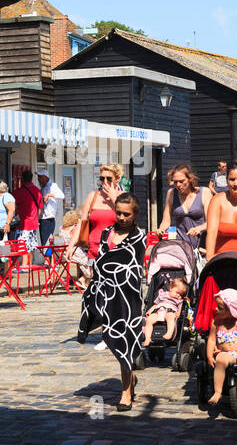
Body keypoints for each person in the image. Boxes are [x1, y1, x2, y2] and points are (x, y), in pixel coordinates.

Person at [81, 192, 147, 411]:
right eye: (118, 213)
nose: (122, 217)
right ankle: (130, 378)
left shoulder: (140, 237)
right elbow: (101, 261)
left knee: (125, 341)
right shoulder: (106, 233)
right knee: (111, 338)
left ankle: (126, 392)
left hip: (128, 297)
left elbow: (133, 265)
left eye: (126, 214)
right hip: (108, 293)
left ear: (135, 214)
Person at [69, 165, 123, 349]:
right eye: (102, 179)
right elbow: (82, 223)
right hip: (94, 252)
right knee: (100, 295)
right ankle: (105, 333)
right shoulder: (93, 196)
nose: (105, 182)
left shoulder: (123, 198)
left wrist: (116, 200)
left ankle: (107, 336)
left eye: (109, 179)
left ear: (117, 179)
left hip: (116, 252)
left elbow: (129, 222)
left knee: (112, 295)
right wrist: (71, 245)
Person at [158, 163, 210, 251]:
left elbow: (211, 222)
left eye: (181, 181)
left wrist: (199, 228)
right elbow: (166, 221)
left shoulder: (204, 192)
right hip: (181, 245)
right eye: (175, 182)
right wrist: (161, 229)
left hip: (202, 245)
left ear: (190, 179)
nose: (178, 185)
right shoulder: (171, 193)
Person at [141, 276, 189, 349]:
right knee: (149, 320)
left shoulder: (179, 301)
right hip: (158, 311)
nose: (179, 295)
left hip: (170, 311)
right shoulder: (162, 295)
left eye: (181, 295)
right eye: (177, 292)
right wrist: (149, 311)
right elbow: (155, 305)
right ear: (171, 288)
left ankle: (169, 333)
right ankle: (148, 338)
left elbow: (179, 310)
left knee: (170, 317)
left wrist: (178, 313)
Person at [10, 169, 43, 249]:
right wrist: (36, 219)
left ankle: (25, 262)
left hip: (22, 224)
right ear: (31, 179)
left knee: (23, 248)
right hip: (33, 224)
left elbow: (11, 207)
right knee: (31, 247)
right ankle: (30, 262)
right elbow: (40, 208)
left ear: (22, 179)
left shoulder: (18, 192)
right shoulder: (37, 191)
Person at [37, 170, 64, 246]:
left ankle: (48, 257)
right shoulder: (43, 187)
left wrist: (49, 195)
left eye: (40, 177)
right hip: (42, 218)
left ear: (45, 177)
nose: (38, 179)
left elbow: (62, 195)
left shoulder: (53, 185)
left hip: (48, 218)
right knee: (44, 243)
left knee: (47, 243)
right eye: (38, 177)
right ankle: (48, 257)